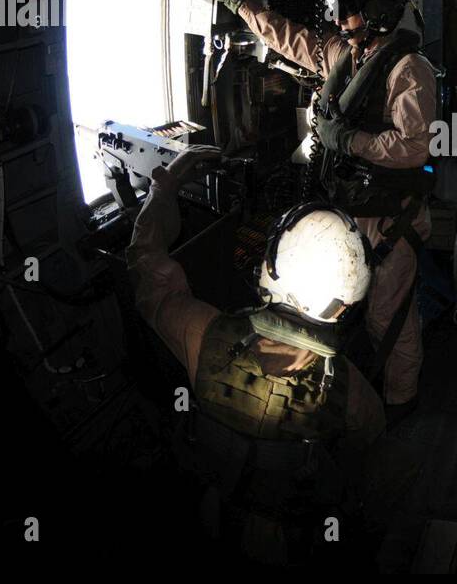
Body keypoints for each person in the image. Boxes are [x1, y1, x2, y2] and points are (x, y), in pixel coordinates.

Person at [192, 0, 435, 423]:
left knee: (388, 316)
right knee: (341, 306)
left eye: (348, 8)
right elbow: (290, 38)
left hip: (390, 217)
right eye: (335, 9)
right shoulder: (348, 56)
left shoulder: (409, 70)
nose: (339, 20)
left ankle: (402, 399)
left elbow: (414, 146)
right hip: (348, 209)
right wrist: (238, 3)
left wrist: (348, 140)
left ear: (376, 8)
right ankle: (353, 394)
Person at [126, 144, 391, 559]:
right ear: (347, 302)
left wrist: (165, 184)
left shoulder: (202, 334)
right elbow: (368, 448)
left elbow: (145, 261)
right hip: (292, 537)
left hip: (212, 511)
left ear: (270, 268)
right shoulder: (348, 387)